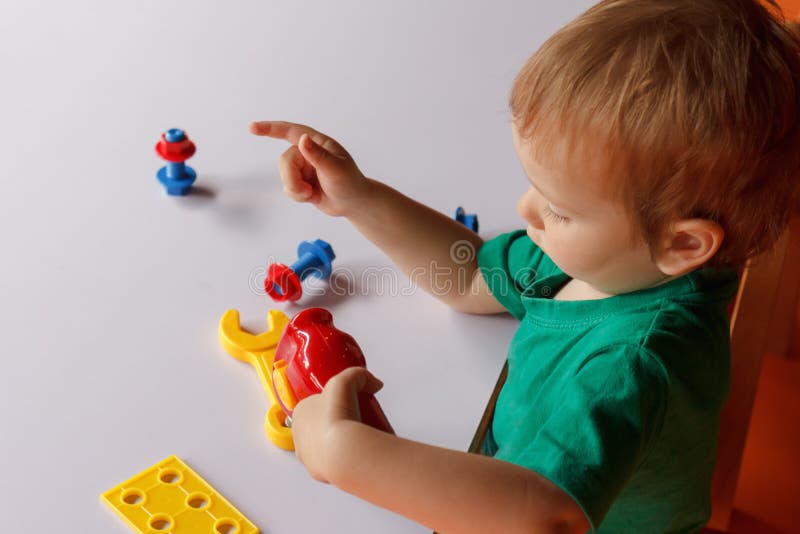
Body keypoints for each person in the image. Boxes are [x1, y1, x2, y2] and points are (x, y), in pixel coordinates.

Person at [250, 1, 800, 531]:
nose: (525, 210)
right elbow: (467, 277)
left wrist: (346, 456)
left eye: (559, 208)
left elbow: (544, 519)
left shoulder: (633, 364)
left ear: (682, 245)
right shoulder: (610, 261)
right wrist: (360, 199)